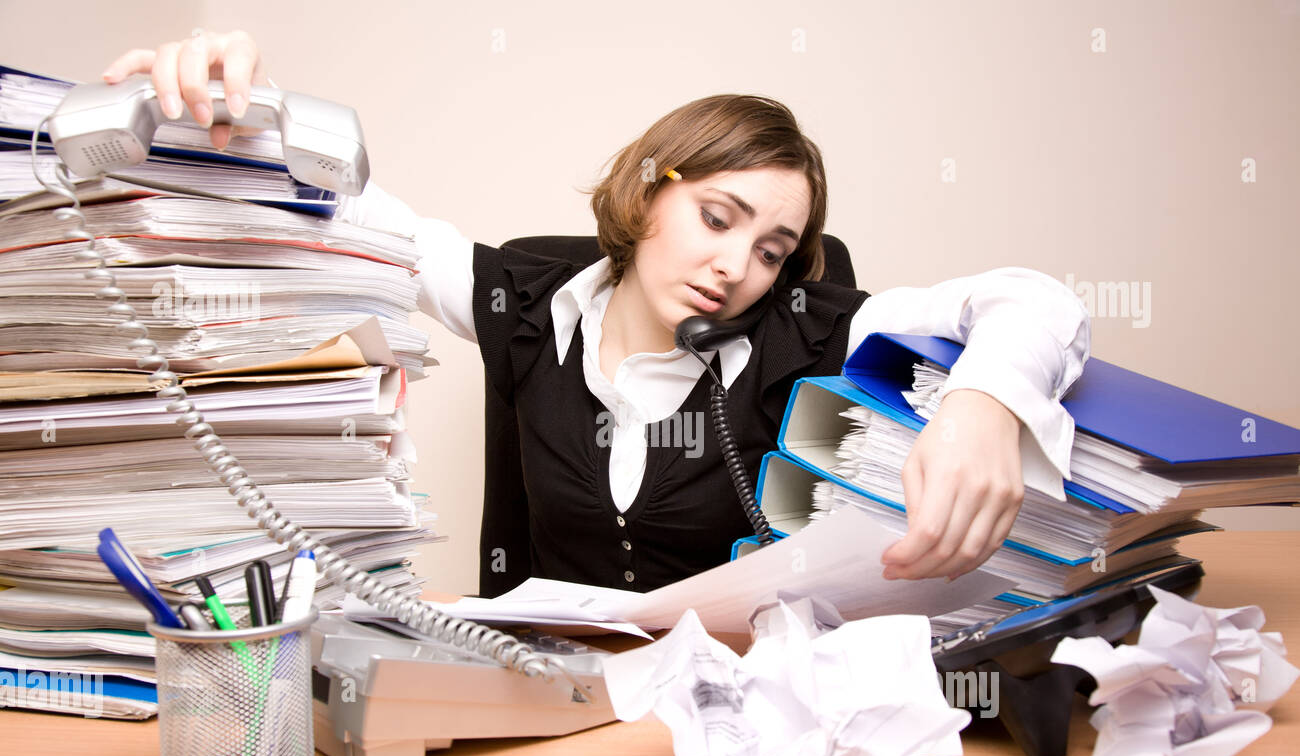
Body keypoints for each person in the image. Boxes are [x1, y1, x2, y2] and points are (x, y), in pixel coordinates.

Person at [103, 30, 1091, 596]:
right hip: (539, 720)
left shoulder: (808, 326)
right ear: (649, 188)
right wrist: (234, 109)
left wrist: (983, 406)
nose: (735, 265)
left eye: (770, 248)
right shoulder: (523, 299)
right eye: (717, 216)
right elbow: (350, 213)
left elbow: (1037, 301)